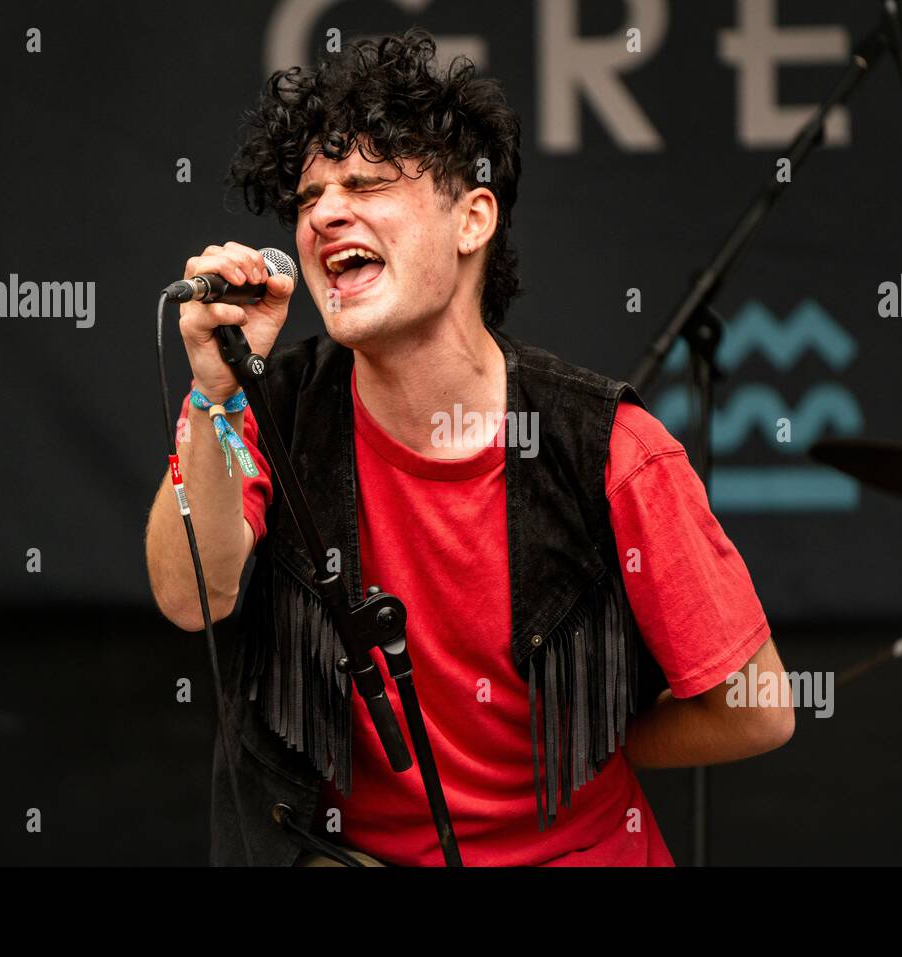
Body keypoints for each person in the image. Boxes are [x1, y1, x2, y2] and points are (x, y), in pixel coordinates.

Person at [145, 27, 793, 867]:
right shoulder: (267, 412)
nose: (325, 213)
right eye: (308, 199)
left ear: (473, 217)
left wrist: (591, 744)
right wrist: (214, 394)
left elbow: (760, 706)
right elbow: (189, 594)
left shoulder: (610, 449)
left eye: (366, 183)